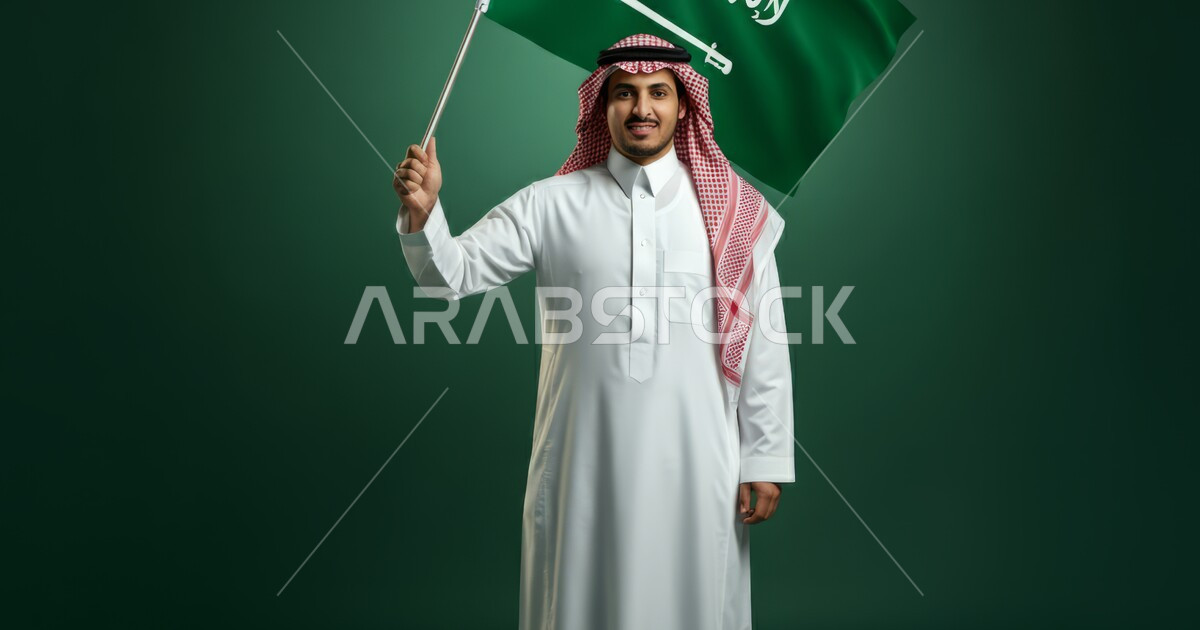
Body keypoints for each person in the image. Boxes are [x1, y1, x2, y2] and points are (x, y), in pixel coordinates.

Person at [392, 33, 795, 630]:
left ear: (684, 105)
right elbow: (448, 275)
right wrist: (425, 213)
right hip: (580, 464)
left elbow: (764, 341)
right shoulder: (550, 205)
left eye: (659, 93)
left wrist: (764, 455)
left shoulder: (733, 211)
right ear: (600, 105)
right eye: (625, 94)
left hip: (698, 463)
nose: (642, 109)